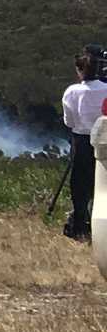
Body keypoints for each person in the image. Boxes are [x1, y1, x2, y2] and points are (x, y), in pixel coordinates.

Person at [61, 45, 107, 242]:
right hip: (104, 139)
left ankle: (80, 225)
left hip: (81, 141)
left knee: (80, 185)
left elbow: (68, 121)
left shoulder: (72, 92)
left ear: (79, 70)